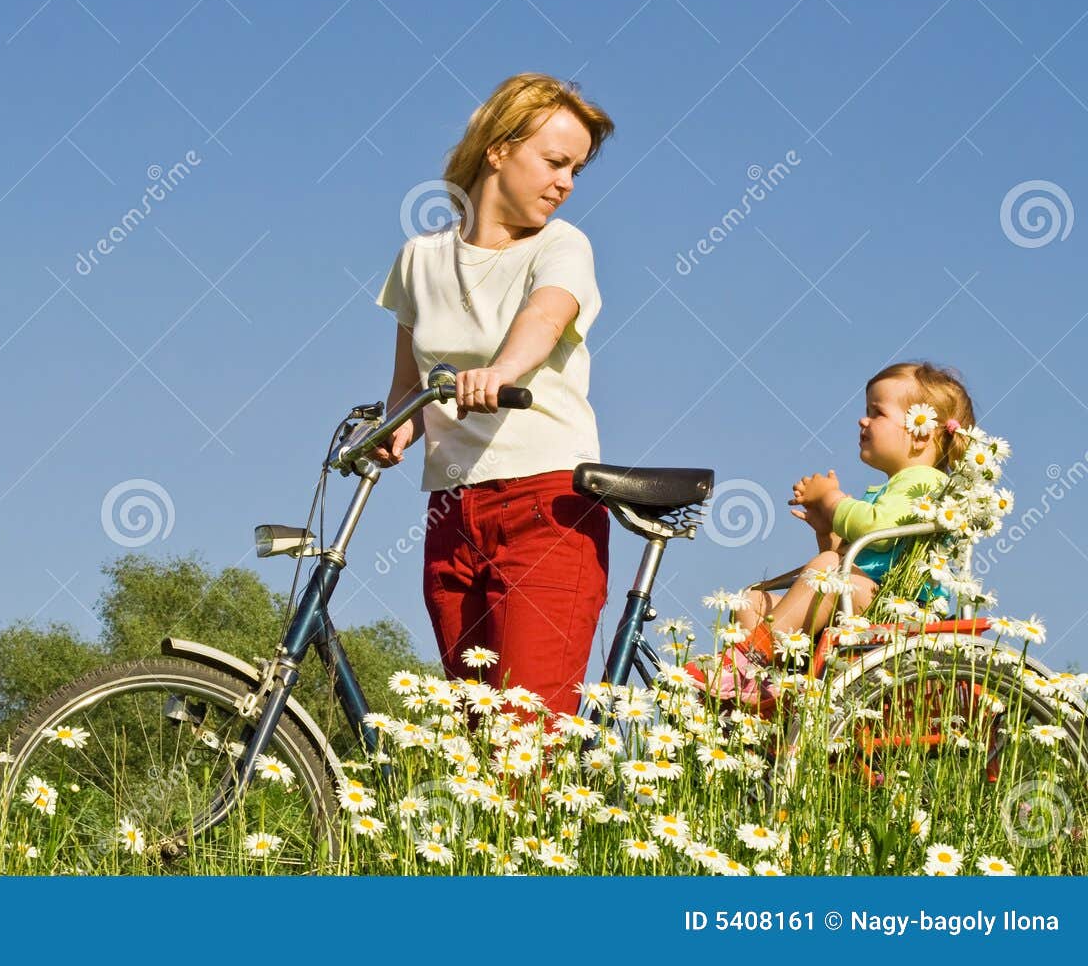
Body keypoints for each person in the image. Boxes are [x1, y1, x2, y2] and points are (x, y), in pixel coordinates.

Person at [370, 72, 615, 720]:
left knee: (525, 731)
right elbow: (409, 386)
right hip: (451, 513)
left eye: (576, 170)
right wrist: (393, 430)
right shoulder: (419, 259)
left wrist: (501, 370)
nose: (566, 183)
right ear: (498, 149)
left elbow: (546, 316)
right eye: (555, 162)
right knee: (472, 731)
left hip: (548, 507)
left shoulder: (562, 246)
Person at [687, 361, 977, 708]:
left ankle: (749, 663)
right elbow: (850, 556)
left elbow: (878, 532)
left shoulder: (925, 482)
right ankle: (766, 688)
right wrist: (827, 530)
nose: (863, 421)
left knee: (827, 569)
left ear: (920, 432)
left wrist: (831, 500)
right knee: (752, 601)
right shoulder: (894, 488)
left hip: (900, 608)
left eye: (877, 412)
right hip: (867, 597)